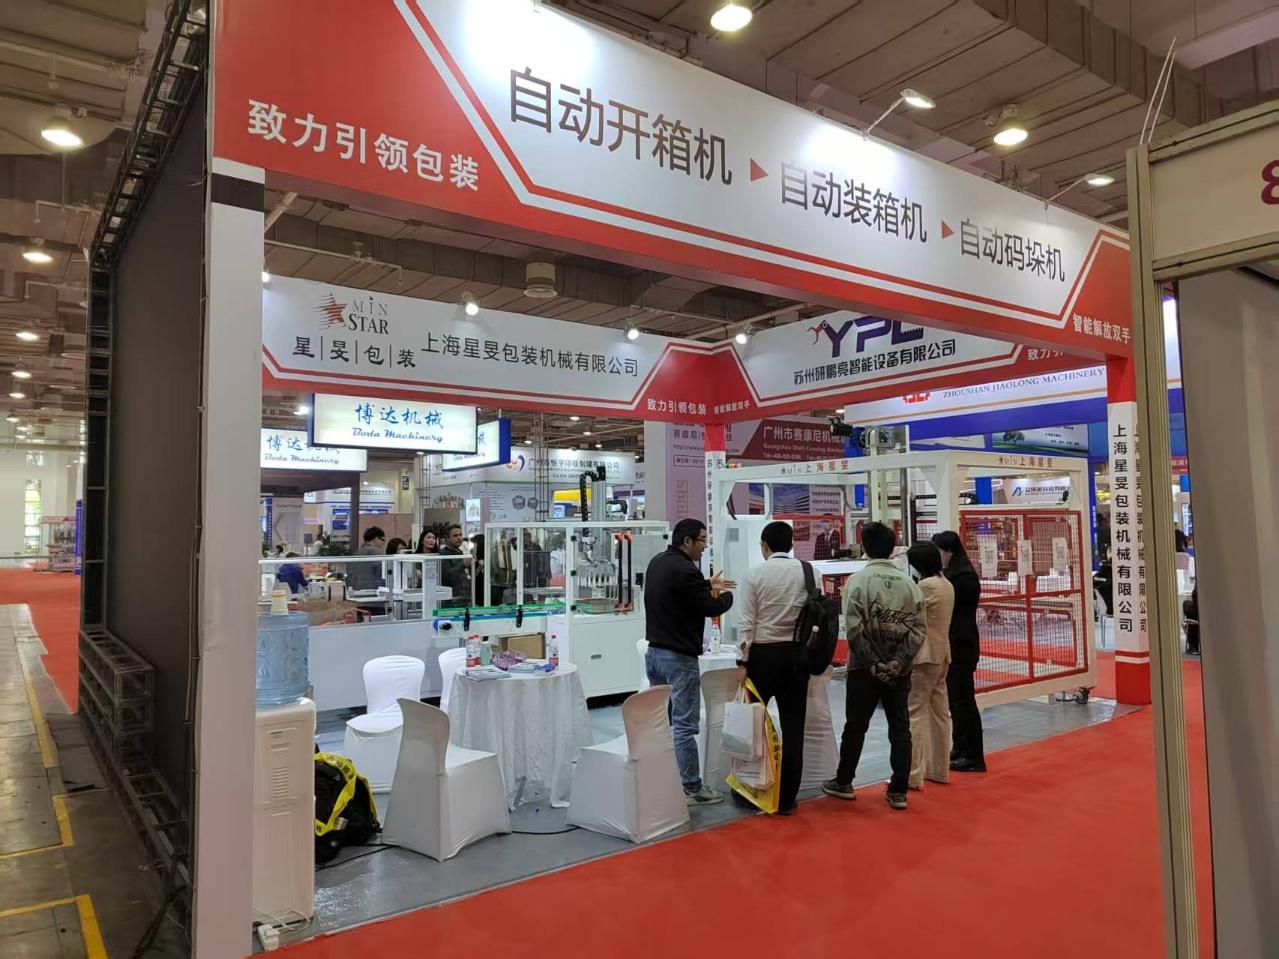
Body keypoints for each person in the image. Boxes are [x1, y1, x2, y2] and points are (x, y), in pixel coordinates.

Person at [823, 522, 925, 810]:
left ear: (864, 546)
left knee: (855, 727)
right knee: (900, 729)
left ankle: (844, 781)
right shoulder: (909, 585)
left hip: (863, 671)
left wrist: (872, 663)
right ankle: (899, 790)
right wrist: (897, 662)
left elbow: (854, 629)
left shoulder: (858, 582)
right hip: (900, 671)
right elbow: (919, 630)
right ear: (892, 547)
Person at [644, 517, 735, 805]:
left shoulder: (658, 562)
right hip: (679, 659)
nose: (704, 546)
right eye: (702, 540)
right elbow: (709, 607)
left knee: (666, 721)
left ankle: (668, 776)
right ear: (687, 541)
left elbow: (681, 592)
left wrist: (707, 583)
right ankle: (692, 787)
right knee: (685, 725)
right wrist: (727, 597)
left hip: (655, 654)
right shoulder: (686, 570)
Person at [735, 521, 809, 815]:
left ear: (764, 546)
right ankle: (787, 799)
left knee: (753, 726)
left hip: (762, 658)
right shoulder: (808, 572)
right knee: (794, 729)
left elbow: (746, 622)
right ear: (791, 544)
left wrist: (742, 661)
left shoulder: (754, 574)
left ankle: (751, 791)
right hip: (796, 656)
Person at [932, 530, 986, 773]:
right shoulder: (954, 573)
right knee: (956, 700)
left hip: (961, 645)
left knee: (963, 701)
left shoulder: (963, 577)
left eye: (939, 552)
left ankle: (973, 755)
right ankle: (960, 748)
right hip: (955, 643)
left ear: (948, 551)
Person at [905, 542, 954, 790]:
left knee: (914, 713)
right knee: (940, 713)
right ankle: (939, 769)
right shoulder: (946, 584)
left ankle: (912, 774)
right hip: (942, 653)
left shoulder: (925, 586)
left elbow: (910, 616)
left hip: (924, 656)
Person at [345, 526, 386, 591]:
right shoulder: (377, 552)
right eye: (383, 539)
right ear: (375, 539)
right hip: (374, 591)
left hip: (355, 591)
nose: (384, 543)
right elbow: (386, 573)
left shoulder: (356, 554)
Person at [439, 523, 471, 603]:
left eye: (460, 535)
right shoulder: (443, 554)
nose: (459, 538)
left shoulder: (459, 552)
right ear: (447, 538)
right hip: (451, 597)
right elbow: (446, 574)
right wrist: (463, 565)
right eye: (455, 535)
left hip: (463, 595)